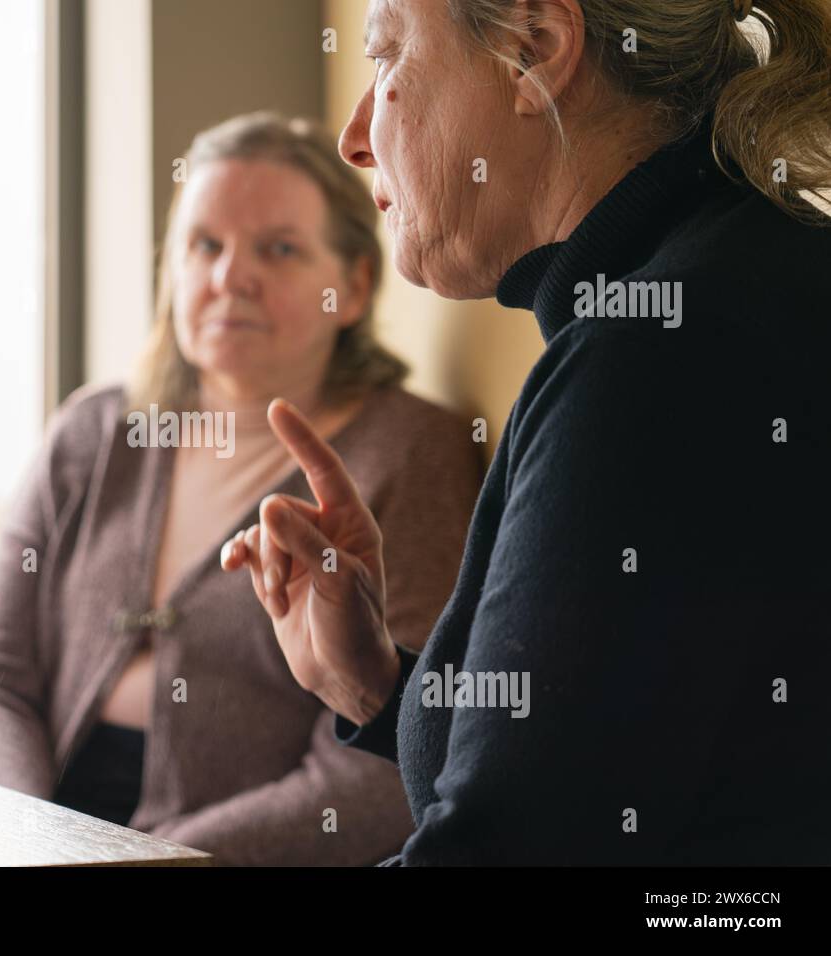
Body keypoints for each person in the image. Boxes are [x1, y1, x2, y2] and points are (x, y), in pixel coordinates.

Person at [222, 0, 831, 864]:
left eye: (389, 56)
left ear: (535, 50)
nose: (355, 136)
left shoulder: (653, 358)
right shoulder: (725, 284)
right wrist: (380, 689)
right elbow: (612, 776)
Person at [0, 111, 483, 865]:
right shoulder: (92, 432)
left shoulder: (412, 452)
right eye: (205, 245)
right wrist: (27, 842)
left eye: (278, 249)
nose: (229, 276)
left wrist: (146, 862)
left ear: (351, 287)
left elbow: (383, 766)